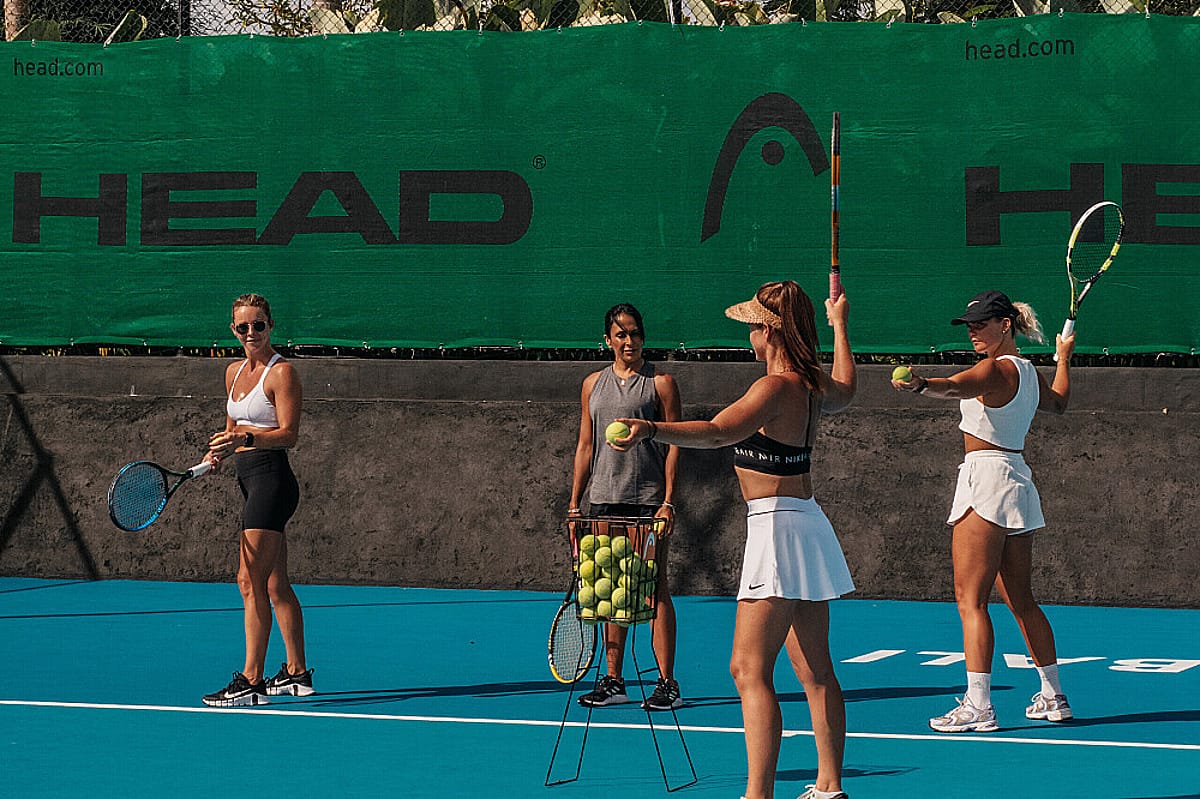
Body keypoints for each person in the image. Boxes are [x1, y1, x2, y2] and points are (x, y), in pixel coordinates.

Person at [613, 281, 856, 799]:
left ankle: (756, 795)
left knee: (748, 669)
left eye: (752, 325)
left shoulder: (774, 387)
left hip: (777, 527)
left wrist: (651, 429)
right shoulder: (811, 383)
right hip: (805, 522)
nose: (748, 334)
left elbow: (720, 431)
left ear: (767, 331)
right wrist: (840, 327)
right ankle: (830, 787)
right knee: (814, 667)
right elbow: (848, 389)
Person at [892, 290, 1075, 733]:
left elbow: (956, 385)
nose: (973, 330)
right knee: (1020, 598)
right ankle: (1053, 695)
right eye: (968, 325)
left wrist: (920, 384)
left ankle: (978, 706)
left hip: (986, 480)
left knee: (970, 599)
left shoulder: (993, 369)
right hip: (1016, 481)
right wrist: (1064, 357)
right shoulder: (1030, 373)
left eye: (980, 323)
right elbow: (1060, 402)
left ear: (1005, 324)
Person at [568, 303, 684, 711]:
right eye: (620, 334)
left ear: (642, 337)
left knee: (655, 590)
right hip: (600, 501)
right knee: (611, 591)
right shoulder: (591, 385)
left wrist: (668, 502)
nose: (628, 341)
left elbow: (674, 446)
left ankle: (667, 683)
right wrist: (574, 504)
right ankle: (614, 681)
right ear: (608, 340)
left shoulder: (660, 384)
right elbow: (586, 445)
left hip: (648, 503)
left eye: (634, 333)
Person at [201, 293, 312, 707]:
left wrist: (245, 438)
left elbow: (289, 434)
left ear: (271, 326)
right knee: (274, 583)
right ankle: (297, 673)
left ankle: (251, 680)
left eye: (259, 325)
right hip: (247, 477)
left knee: (248, 582)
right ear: (234, 330)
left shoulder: (281, 373)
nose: (251, 333)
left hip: (272, 482)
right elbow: (231, 426)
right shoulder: (232, 372)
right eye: (243, 327)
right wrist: (217, 452)